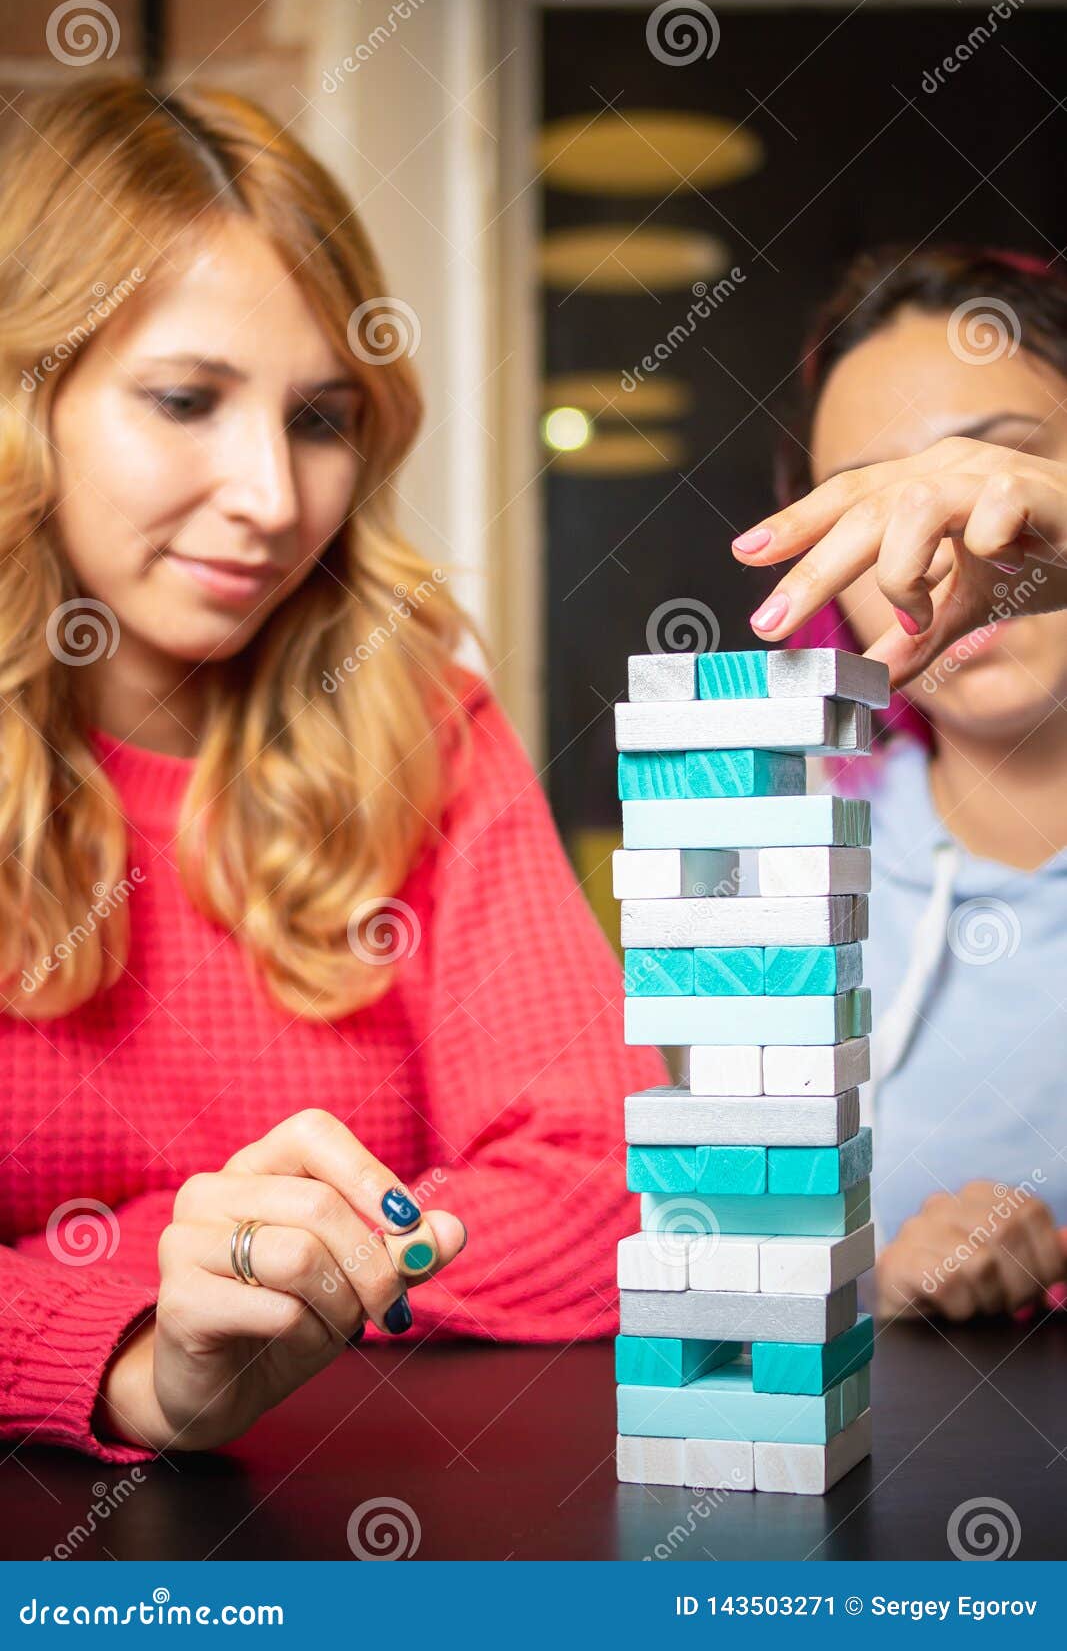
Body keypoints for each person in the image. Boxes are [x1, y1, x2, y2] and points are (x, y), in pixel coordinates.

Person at [0, 80, 662, 1463]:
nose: (269, 496)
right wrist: (135, 1339)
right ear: (27, 397)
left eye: (318, 419)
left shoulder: (423, 730)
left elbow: (613, 1184)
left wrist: (212, 1276)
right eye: (187, 399)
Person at [732, 244, 1067, 1325]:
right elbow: (723, 1249)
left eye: (990, 475)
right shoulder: (786, 865)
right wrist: (861, 1290)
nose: (937, 550)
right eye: (871, 510)